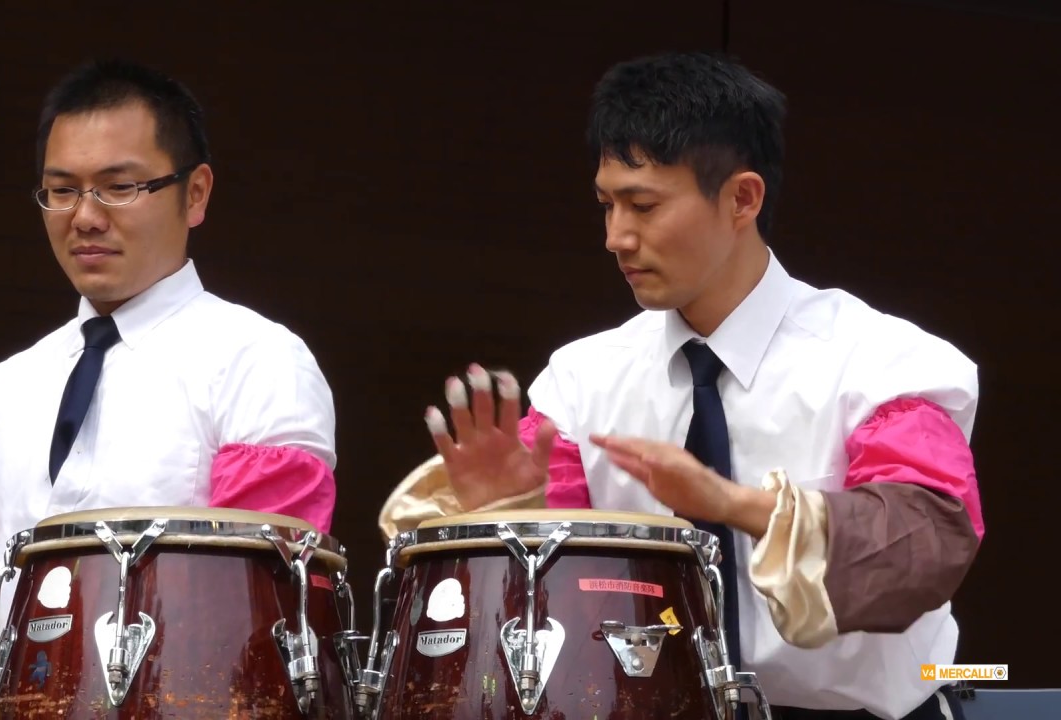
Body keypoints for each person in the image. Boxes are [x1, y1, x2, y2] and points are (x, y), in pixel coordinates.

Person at [380, 52, 982, 720]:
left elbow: (924, 540)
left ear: (742, 199)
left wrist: (730, 502)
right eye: (606, 204)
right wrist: (504, 524)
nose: (616, 236)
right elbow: (557, 614)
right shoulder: (581, 380)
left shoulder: (883, 362)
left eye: (644, 205)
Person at [0, 59, 338, 720]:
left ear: (194, 194)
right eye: (61, 190)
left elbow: (262, 606)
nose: (85, 216)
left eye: (119, 187)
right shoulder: (0, 392)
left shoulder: (259, 361)